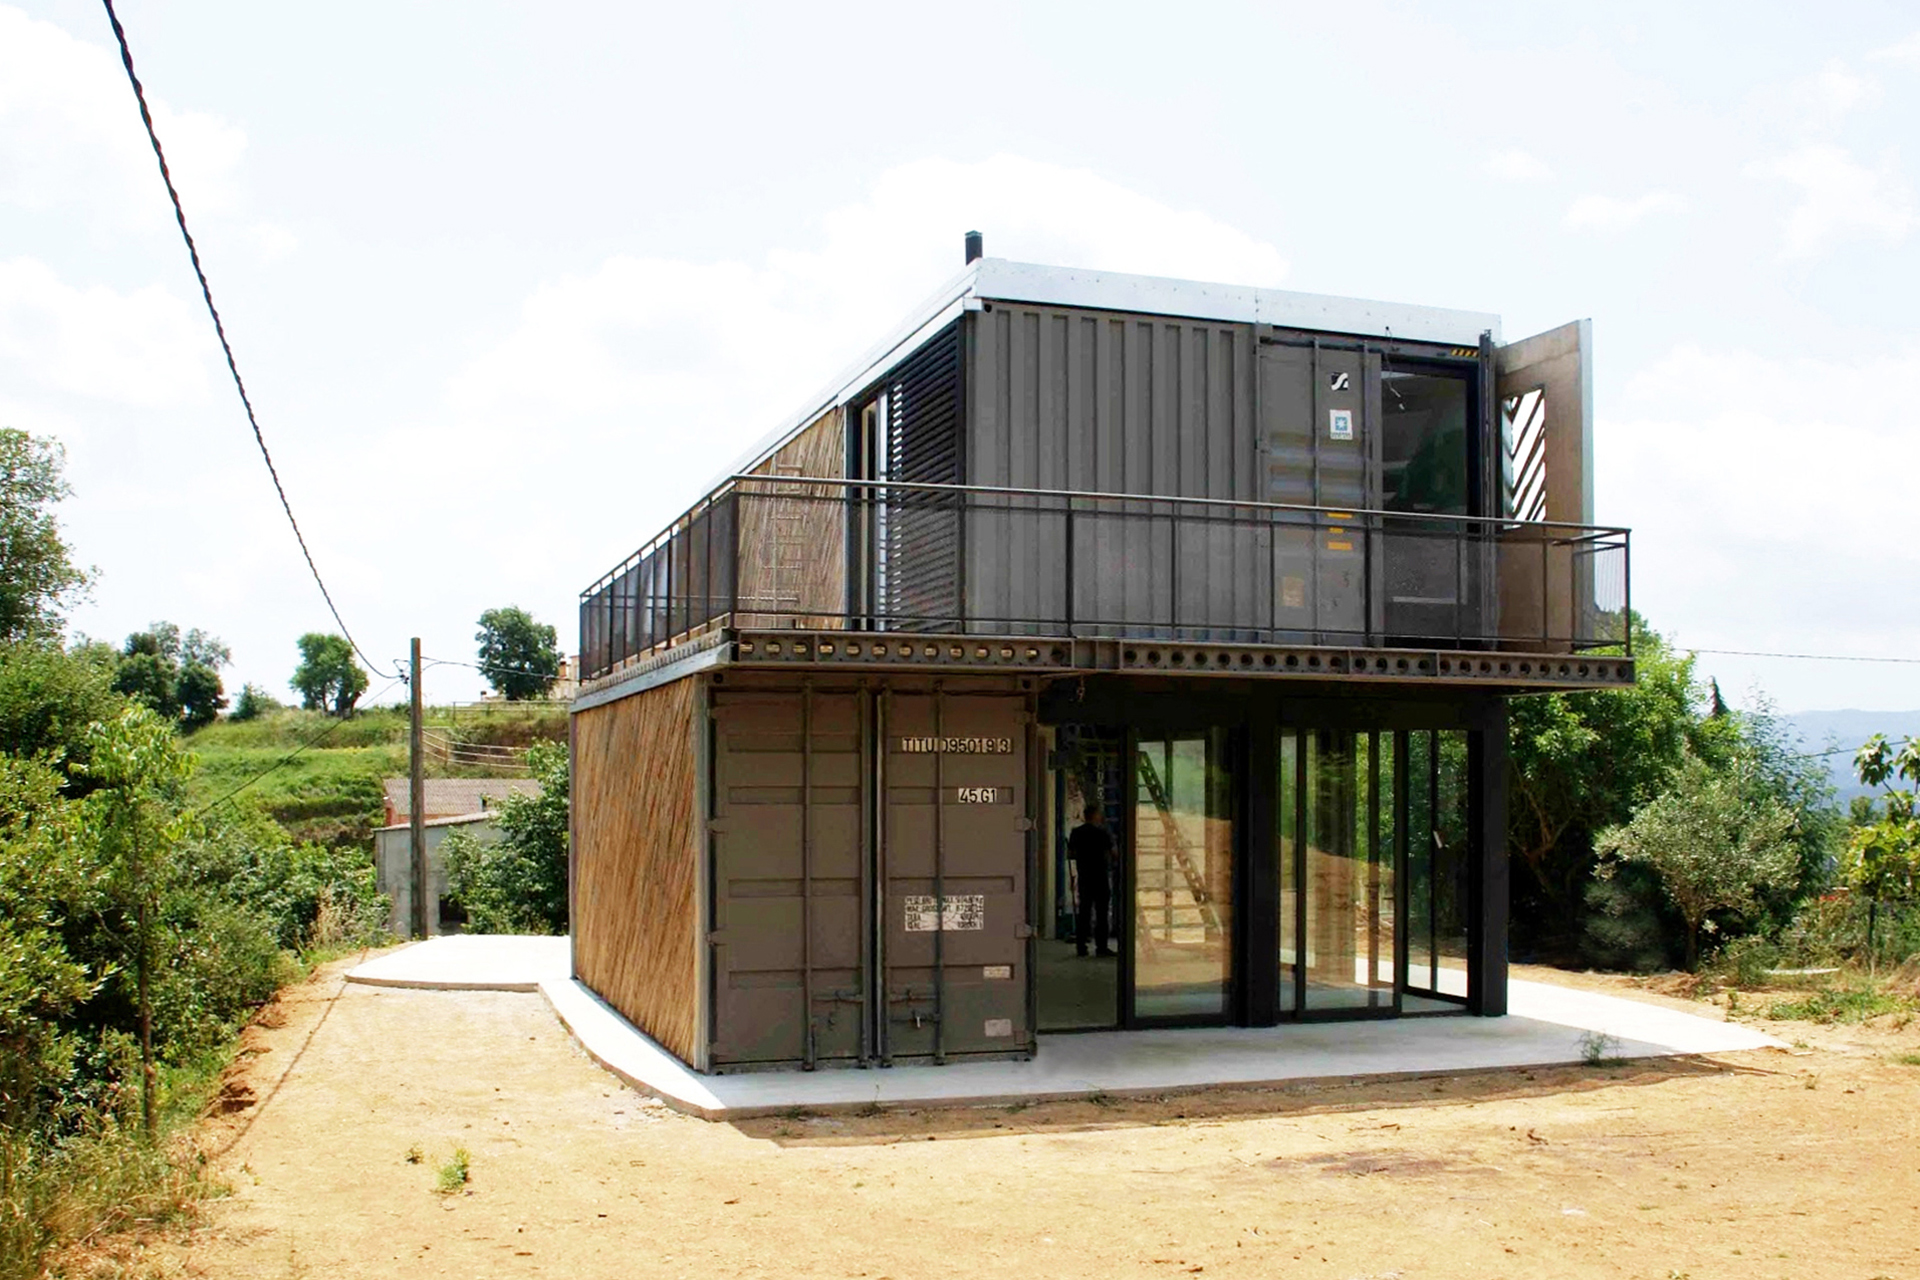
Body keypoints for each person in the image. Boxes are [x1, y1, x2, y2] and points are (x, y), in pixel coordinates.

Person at [1068, 802, 1116, 958]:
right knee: (1102, 913)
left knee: (1084, 912)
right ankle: (1101, 947)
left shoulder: (1076, 832)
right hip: (1101, 875)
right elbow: (1114, 853)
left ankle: (1081, 947)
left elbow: (1070, 854)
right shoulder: (1104, 833)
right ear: (1096, 816)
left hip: (1085, 876)